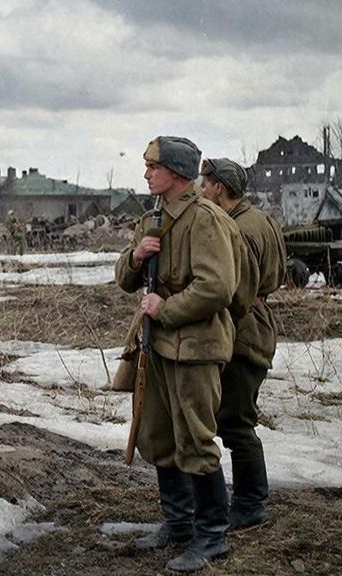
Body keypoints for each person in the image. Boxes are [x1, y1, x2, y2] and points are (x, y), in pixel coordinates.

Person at [114, 136, 246, 573]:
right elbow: (125, 280)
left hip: (196, 347)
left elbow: (217, 287)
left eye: (153, 167)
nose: (146, 173)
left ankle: (211, 536)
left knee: (195, 439)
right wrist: (136, 256)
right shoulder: (153, 218)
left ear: (176, 173)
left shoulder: (204, 218)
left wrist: (165, 308)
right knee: (159, 435)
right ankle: (178, 524)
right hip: (159, 345)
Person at [201, 157, 286, 531]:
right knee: (236, 419)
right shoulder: (259, 219)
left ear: (219, 187)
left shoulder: (240, 230)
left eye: (206, 183)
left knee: (236, 423)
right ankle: (249, 500)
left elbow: (237, 291)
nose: (202, 189)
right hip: (255, 326)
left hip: (244, 333)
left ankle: (251, 504)